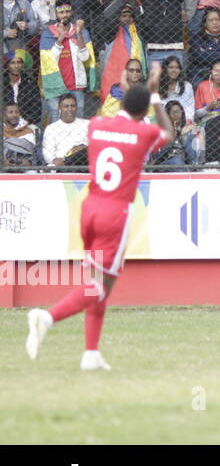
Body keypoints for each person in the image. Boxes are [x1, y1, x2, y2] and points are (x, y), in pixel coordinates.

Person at [25, 64, 172, 371]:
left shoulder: (96, 125)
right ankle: (47, 318)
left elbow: (121, 116)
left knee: (99, 282)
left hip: (89, 208)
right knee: (99, 286)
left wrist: (128, 93)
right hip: (115, 214)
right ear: (143, 109)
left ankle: (90, 353)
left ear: (122, 102)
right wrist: (155, 96)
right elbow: (168, 133)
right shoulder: (142, 132)